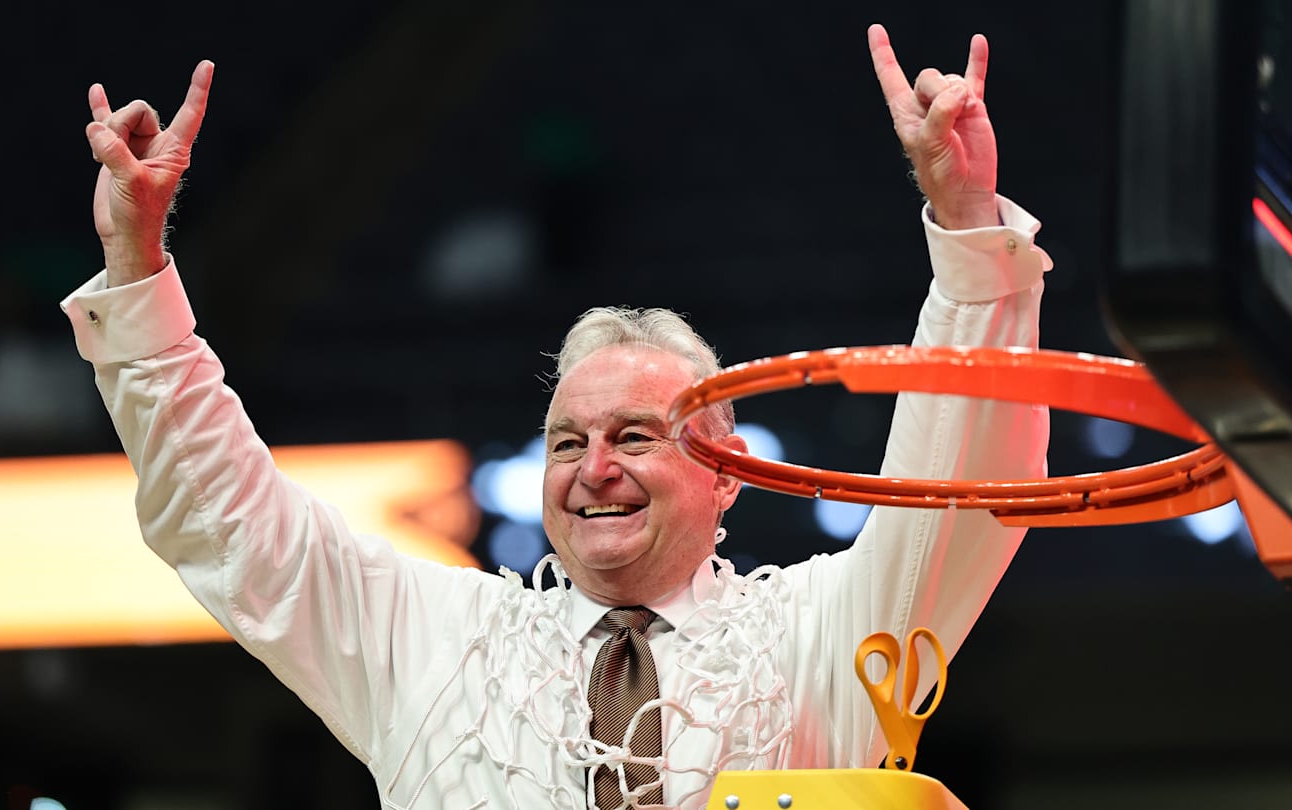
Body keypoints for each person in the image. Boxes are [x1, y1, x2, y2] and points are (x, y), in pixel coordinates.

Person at [63, 23, 1051, 810]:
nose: (593, 469)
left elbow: (960, 494)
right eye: (566, 443)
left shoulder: (822, 630)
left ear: (729, 469)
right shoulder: (431, 638)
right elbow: (229, 521)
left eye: (632, 436)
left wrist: (966, 229)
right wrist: (137, 264)